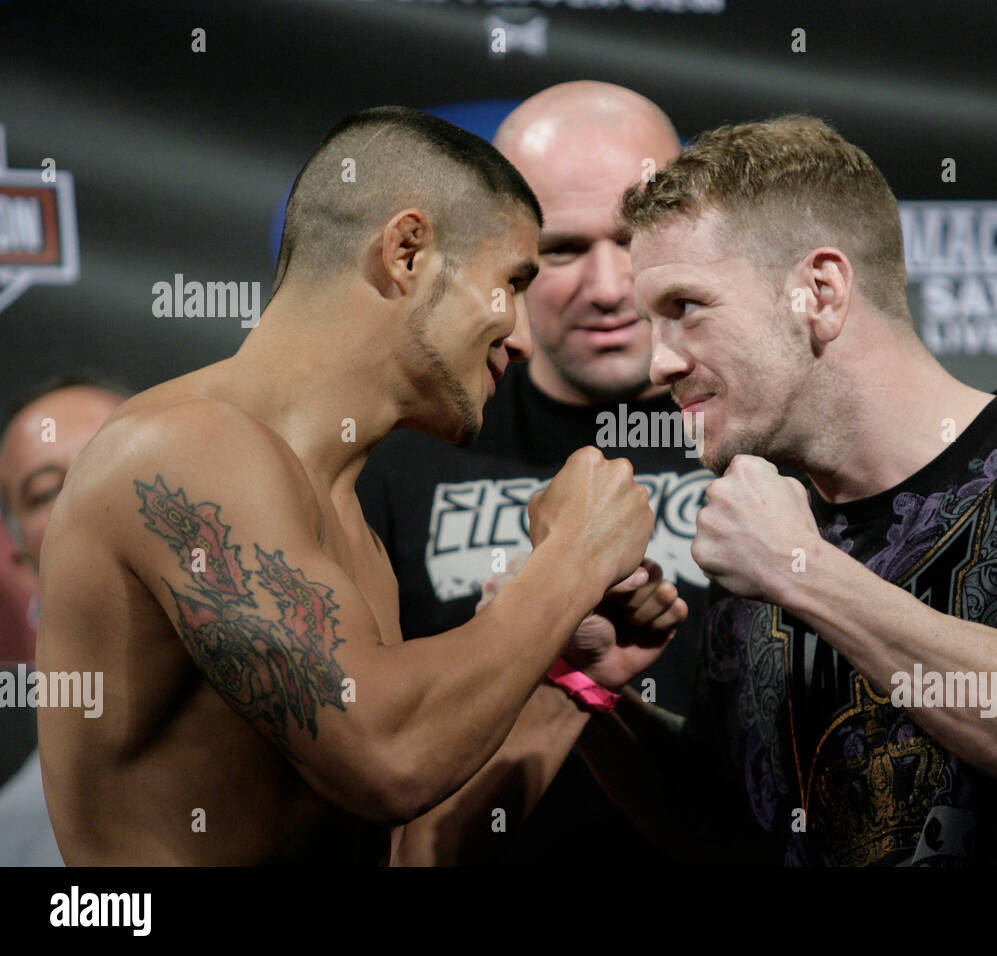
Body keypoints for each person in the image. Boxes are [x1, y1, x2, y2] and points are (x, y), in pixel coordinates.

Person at [498, 114, 997, 865]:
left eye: (685, 308)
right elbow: (729, 836)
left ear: (819, 291)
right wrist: (588, 689)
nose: (657, 364)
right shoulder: (768, 533)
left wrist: (805, 571)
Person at [35, 106, 680, 865]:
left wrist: (565, 677)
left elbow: (404, 850)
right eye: (511, 282)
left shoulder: (346, 516)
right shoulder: (184, 447)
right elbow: (389, 755)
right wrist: (572, 558)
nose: (519, 333)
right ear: (407, 252)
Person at [357, 82, 712, 864]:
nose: (612, 287)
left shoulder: (769, 439)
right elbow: (364, 753)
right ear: (505, 251)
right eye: (564, 250)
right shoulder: (405, 450)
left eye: (635, 237)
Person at [0, 375, 127, 866]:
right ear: (22, 565)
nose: (87, 493)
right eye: (47, 490)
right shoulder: (21, 837)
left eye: (115, 456)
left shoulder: (317, 725)